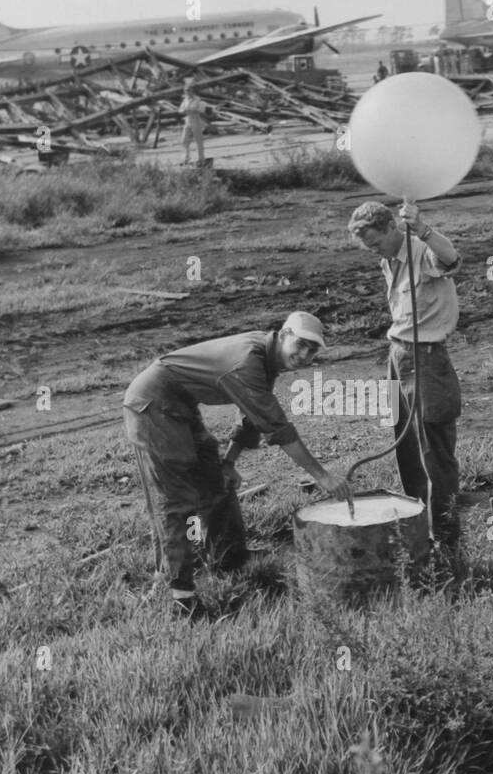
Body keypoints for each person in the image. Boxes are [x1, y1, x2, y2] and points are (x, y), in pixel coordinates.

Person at [123, 312, 354, 617]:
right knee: (177, 501)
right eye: (301, 344)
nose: (305, 355)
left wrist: (229, 462)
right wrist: (322, 476)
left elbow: (249, 418)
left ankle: (228, 559)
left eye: (313, 350)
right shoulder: (249, 361)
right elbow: (278, 429)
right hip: (152, 405)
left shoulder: (267, 357)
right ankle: (179, 596)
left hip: (180, 406)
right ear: (284, 334)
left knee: (217, 479)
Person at [347, 200, 463, 559]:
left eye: (375, 243)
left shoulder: (420, 250)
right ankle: (417, 522)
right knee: (405, 445)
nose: (373, 252)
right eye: (367, 248)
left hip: (426, 358)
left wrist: (425, 228)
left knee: (435, 450)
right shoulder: (388, 259)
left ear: (390, 229)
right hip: (399, 354)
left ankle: (445, 537)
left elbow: (451, 260)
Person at [179, 77, 207, 165]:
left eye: (188, 90)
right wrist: (183, 111)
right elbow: (180, 109)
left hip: (196, 120)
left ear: (192, 91)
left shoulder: (198, 100)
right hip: (188, 120)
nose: (186, 92)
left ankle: (201, 159)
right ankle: (185, 158)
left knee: (199, 140)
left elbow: (202, 109)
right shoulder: (185, 100)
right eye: (185, 90)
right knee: (184, 140)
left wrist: (195, 110)